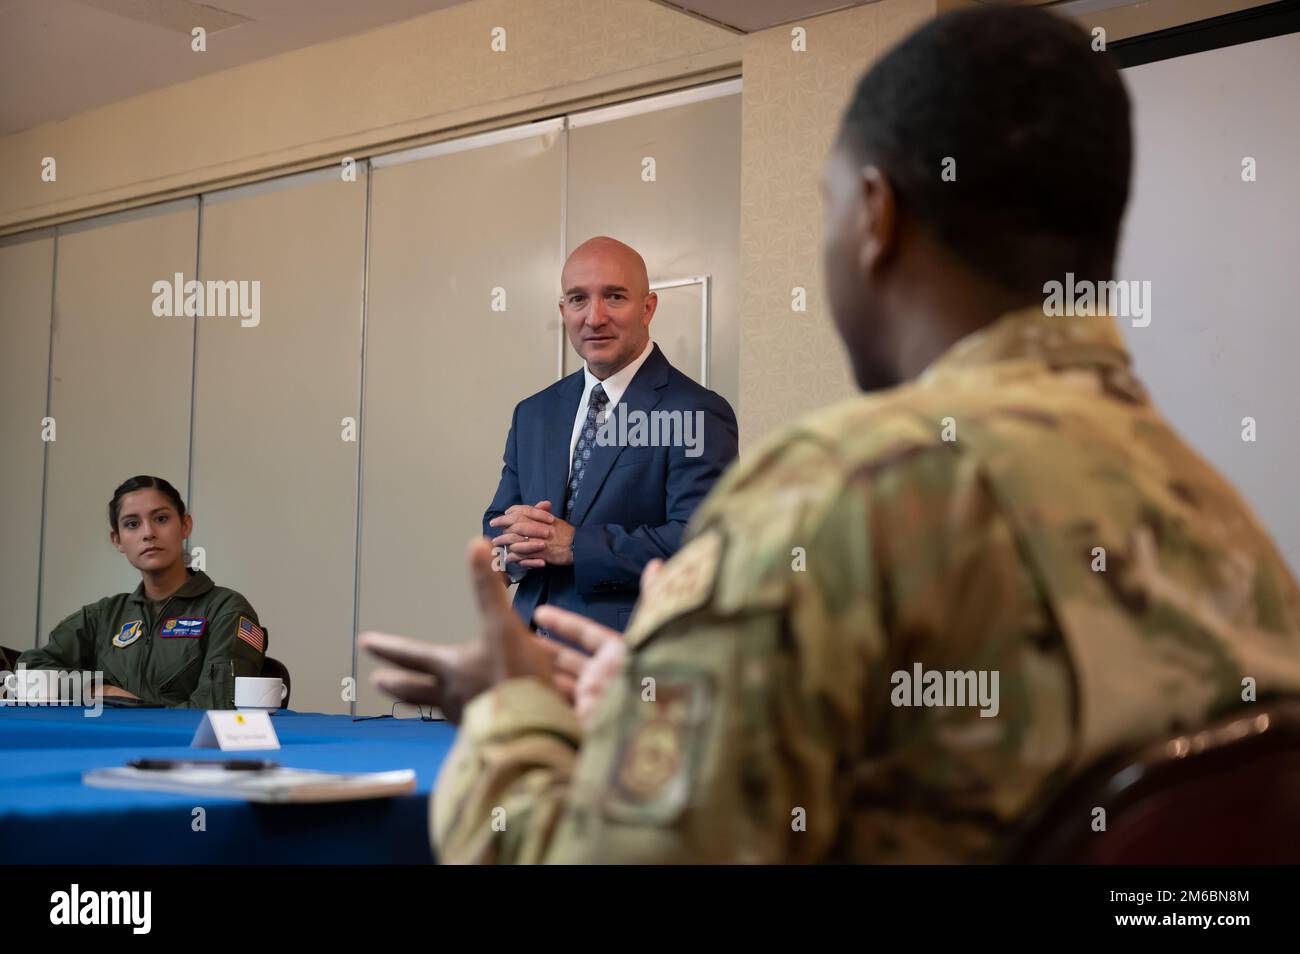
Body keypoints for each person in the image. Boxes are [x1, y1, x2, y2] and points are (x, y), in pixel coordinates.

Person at [363, 6, 1300, 863]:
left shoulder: (831, 494)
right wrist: (686, 696)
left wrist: (512, 710)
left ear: (877, 216)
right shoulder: (1235, 536)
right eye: (575, 297)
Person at [484, 235, 738, 635]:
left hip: (630, 664)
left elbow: (704, 546)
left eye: (615, 297)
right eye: (578, 299)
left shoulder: (695, 410)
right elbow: (499, 525)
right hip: (527, 655)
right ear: (563, 309)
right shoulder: (534, 413)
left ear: (648, 307)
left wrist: (575, 546)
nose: (595, 317)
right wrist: (509, 552)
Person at [17, 475, 266, 708]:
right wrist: (95, 688)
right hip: (104, 749)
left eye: (161, 519)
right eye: (132, 524)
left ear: (185, 525)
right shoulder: (103, 616)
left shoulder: (226, 609)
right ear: (117, 540)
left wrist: (141, 717)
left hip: (179, 751)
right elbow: (28, 670)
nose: (148, 533)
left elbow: (216, 708)